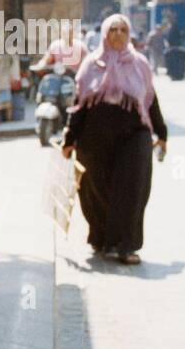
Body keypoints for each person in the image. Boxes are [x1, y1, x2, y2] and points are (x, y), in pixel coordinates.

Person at [61, 14, 168, 265]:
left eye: (122, 30)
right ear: (105, 34)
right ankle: (101, 237)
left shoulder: (140, 64)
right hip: (95, 139)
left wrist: (161, 134)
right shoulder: (90, 65)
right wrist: (69, 137)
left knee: (132, 190)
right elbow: (80, 105)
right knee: (94, 188)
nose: (117, 34)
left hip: (134, 136)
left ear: (128, 34)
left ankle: (126, 245)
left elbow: (150, 101)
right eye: (112, 30)